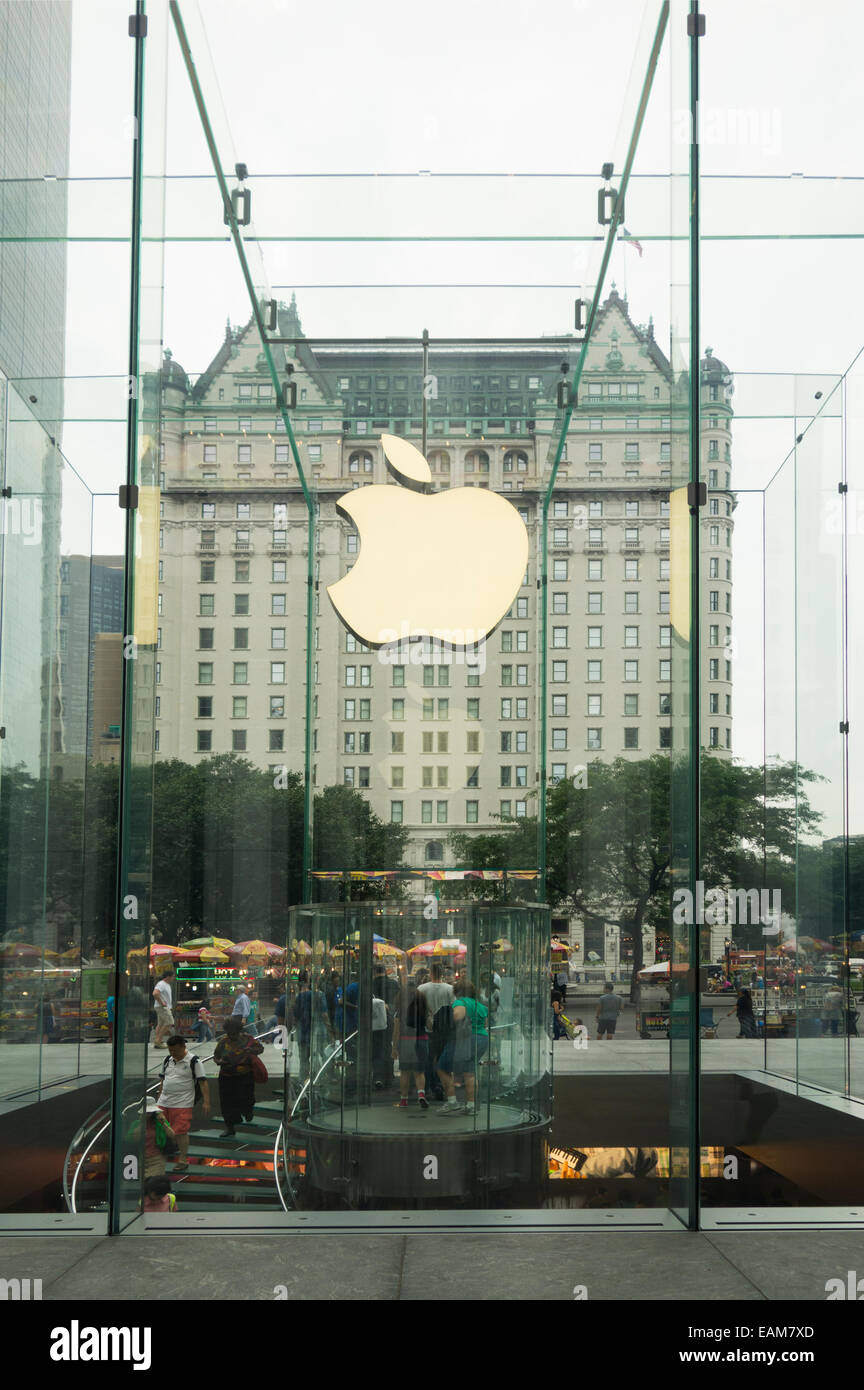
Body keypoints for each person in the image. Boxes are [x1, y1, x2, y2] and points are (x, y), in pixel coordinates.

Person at [157, 1035, 209, 1172]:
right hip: (164, 1101)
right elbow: (163, 1080)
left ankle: (183, 1159)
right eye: (170, 1050)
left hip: (182, 1103)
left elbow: (203, 1082)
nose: (173, 1053)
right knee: (160, 1127)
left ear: (183, 1047)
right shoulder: (168, 1060)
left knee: (180, 1131)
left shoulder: (194, 1061)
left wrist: (206, 1102)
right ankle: (166, 1151)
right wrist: (159, 1097)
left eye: (175, 1050)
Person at [436, 980, 488, 1116]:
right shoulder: (479, 1005)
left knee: (442, 1068)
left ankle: (452, 1101)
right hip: (482, 1038)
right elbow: (485, 1023)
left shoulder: (460, 1002)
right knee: (469, 1072)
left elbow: (458, 1015)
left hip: (465, 1039)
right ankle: (470, 1105)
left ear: (456, 991)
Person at [213, 1016, 264, 1137]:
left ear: (239, 1031)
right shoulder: (223, 1042)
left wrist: (250, 1050)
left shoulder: (248, 1039)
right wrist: (219, 1062)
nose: (232, 1036)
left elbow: (260, 1049)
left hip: (245, 1075)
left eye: (234, 1033)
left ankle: (248, 1112)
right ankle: (230, 1128)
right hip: (226, 1076)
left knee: (246, 1097)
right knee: (227, 1103)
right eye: (229, 1033)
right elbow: (216, 1056)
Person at [394, 976, 429, 1110]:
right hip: (421, 1039)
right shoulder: (423, 1005)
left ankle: (404, 1100)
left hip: (405, 1041)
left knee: (405, 1072)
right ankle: (421, 1095)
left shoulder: (401, 1008)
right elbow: (428, 1024)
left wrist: (394, 1048)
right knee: (419, 1072)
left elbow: (397, 1030)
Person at [290, 970, 331, 1080]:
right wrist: (330, 1031)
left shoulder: (300, 997)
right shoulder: (320, 995)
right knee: (321, 1055)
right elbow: (324, 1015)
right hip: (318, 1032)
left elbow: (295, 1016)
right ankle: (319, 1079)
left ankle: (303, 1080)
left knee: (303, 1059)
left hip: (303, 1033)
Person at [152, 970, 175, 1049]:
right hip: (162, 1007)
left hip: (163, 1006)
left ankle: (158, 1041)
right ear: (168, 977)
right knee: (169, 1022)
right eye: (172, 976)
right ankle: (158, 1040)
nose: (173, 978)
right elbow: (155, 993)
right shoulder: (161, 984)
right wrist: (162, 1003)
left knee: (161, 1024)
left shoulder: (167, 985)